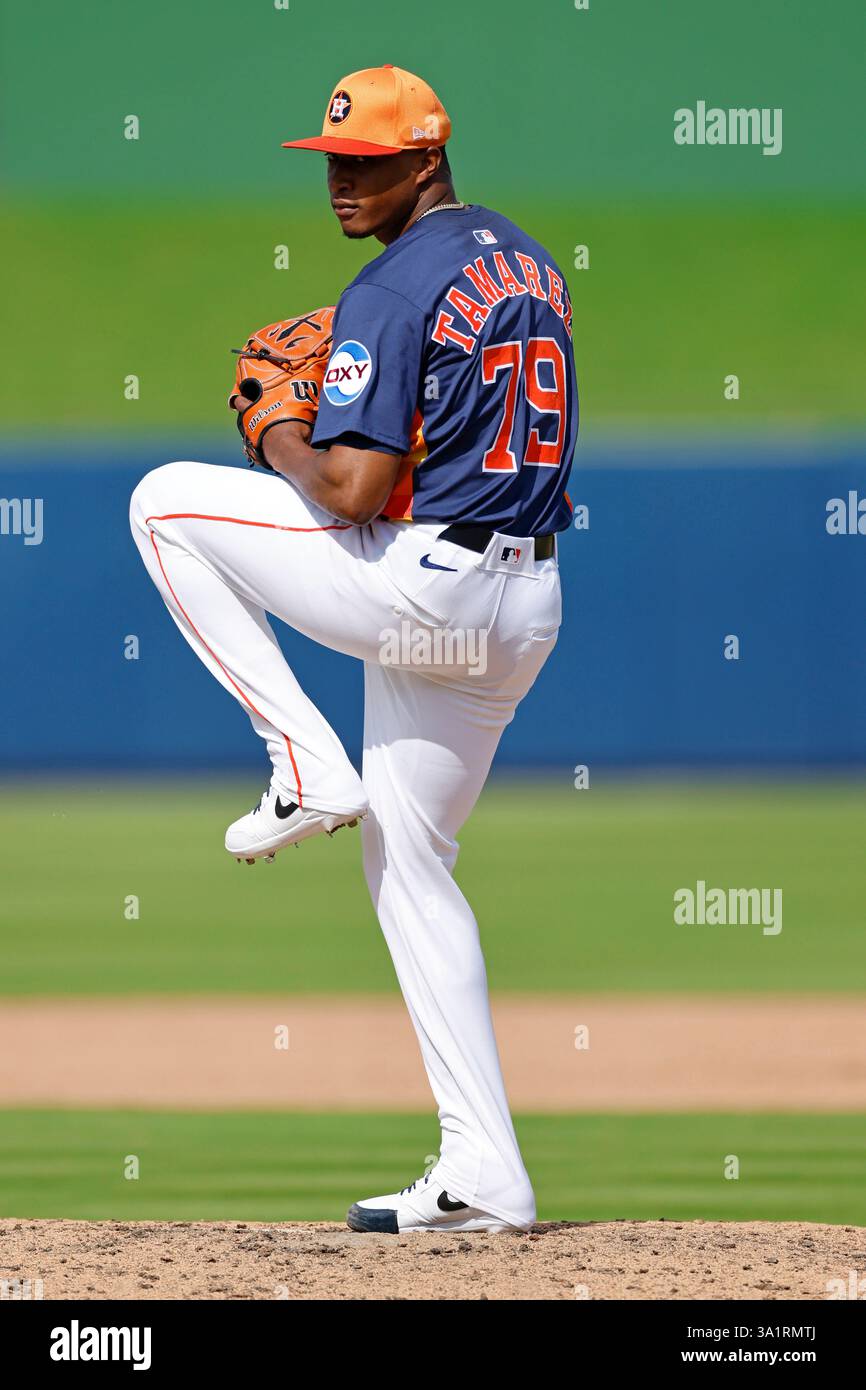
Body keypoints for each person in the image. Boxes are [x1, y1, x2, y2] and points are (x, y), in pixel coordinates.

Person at [129, 63, 577, 1234]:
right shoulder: (526, 260)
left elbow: (352, 488)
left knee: (163, 503)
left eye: (367, 163)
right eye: (333, 160)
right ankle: (484, 1174)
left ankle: (298, 763)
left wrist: (274, 428)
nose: (342, 181)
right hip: (522, 602)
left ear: (425, 159)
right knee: (411, 864)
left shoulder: (390, 283)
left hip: (427, 583)